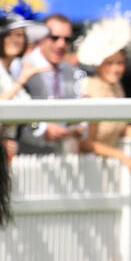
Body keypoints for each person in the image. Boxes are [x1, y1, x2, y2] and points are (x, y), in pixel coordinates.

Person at [19, 13, 84, 156]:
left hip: (60, 156)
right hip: (26, 156)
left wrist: (79, 127)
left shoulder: (71, 71)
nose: (61, 44)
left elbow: (79, 108)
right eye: (54, 38)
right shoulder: (21, 65)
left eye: (67, 39)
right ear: (41, 37)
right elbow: (16, 108)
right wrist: (42, 128)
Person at [75, 17, 131, 171]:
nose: (116, 69)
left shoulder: (116, 87)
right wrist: (120, 156)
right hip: (85, 168)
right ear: (99, 65)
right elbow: (86, 142)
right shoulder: (91, 89)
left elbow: (119, 128)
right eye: (110, 63)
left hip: (107, 169)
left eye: (119, 63)